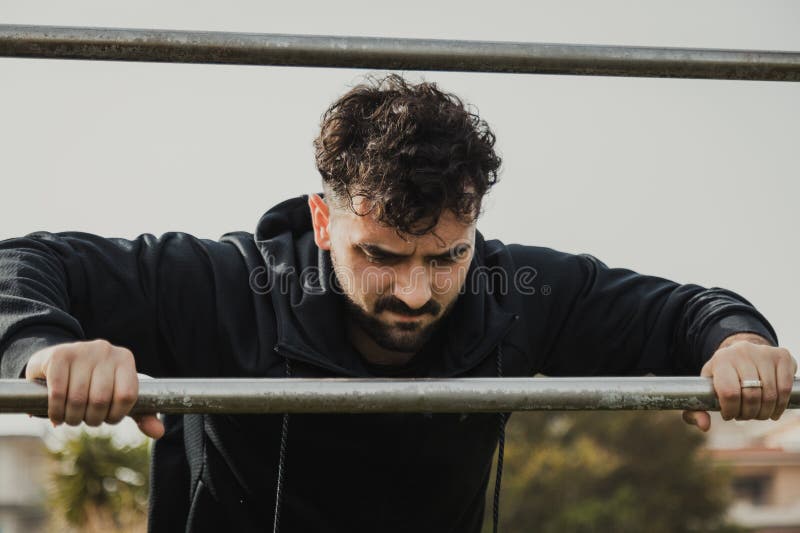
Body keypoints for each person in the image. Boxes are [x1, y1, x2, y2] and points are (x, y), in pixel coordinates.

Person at [0, 74, 795, 533]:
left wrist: (737, 340)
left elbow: (685, 309)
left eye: (446, 255)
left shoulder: (511, 290)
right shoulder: (226, 284)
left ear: (476, 220)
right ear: (322, 221)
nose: (416, 292)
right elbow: (21, 265)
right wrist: (46, 346)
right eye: (380, 255)